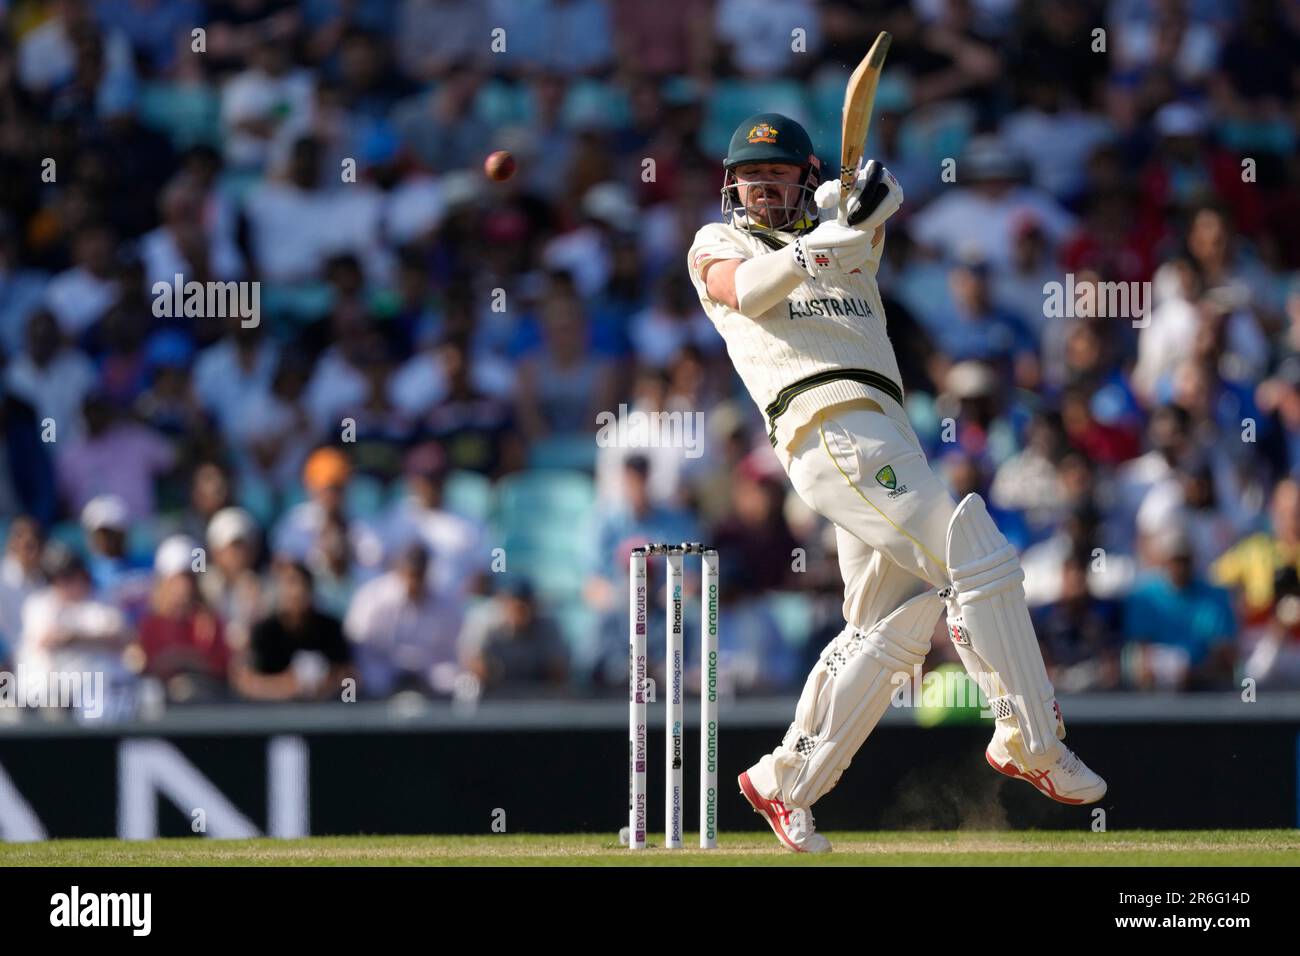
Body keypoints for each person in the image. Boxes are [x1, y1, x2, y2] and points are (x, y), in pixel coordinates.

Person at [686, 113, 1105, 853]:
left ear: (805, 178)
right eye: (750, 177)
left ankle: (787, 778)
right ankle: (1030, 739)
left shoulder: (840, 229)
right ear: (732, 184)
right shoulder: (718, 243)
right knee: (975, 556)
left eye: (777, 174)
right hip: (825, 422)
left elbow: (868, 210)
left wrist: (870, 202)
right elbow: (745, 291)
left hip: (886, 426)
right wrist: (821, 246)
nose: (762, 188)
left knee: (894, 622)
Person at [235, 560, 353, 702]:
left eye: (303, 585)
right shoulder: (264, 631)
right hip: (271, 712)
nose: (297, 592)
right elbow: (246, 683)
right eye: (290, 585)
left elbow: (351, 678)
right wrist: (286, 687)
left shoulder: (330, 628)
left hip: (327, 710)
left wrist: (328, 687)